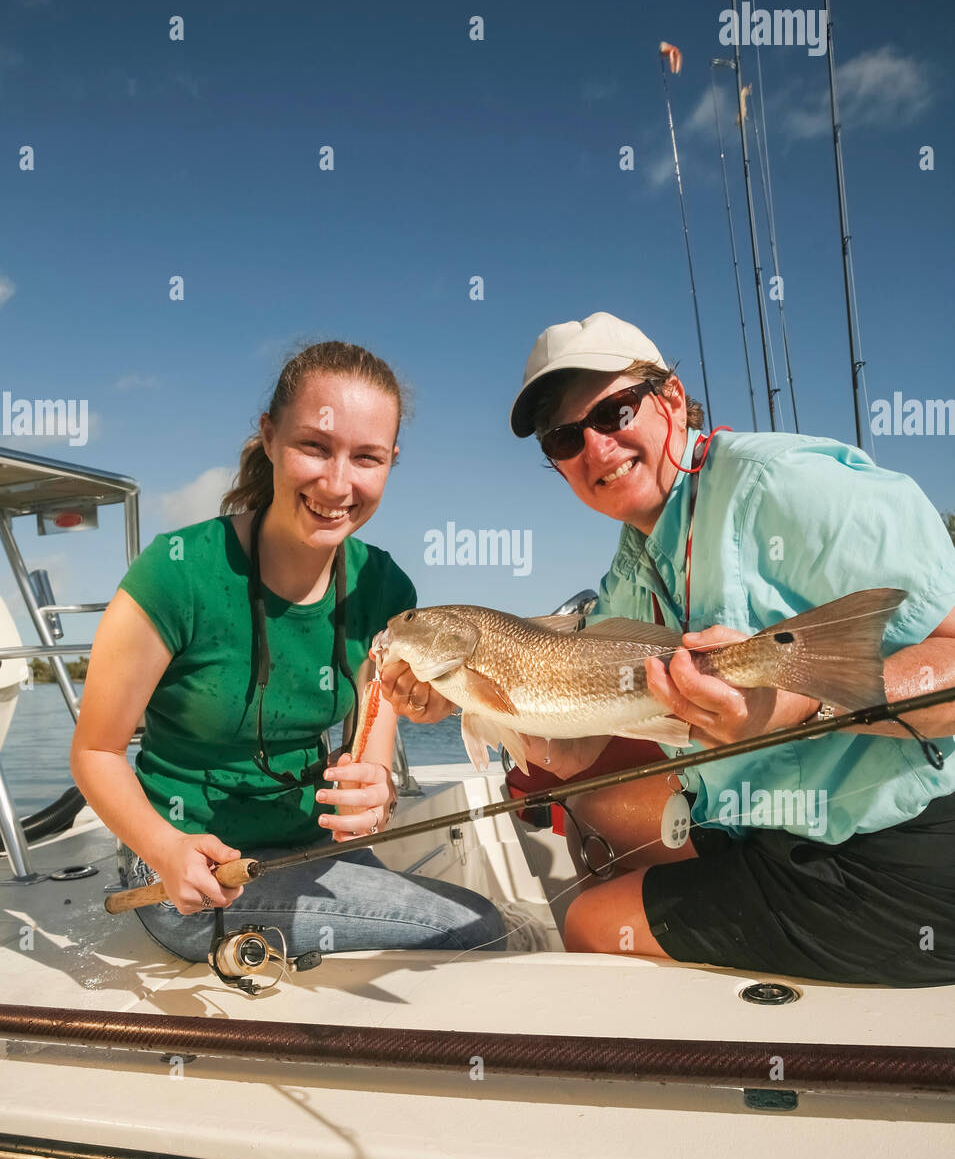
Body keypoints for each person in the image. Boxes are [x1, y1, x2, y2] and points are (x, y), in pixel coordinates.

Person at [385, 311, 955, 986]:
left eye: (614, 412)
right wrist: (463, 703)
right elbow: (572, 752)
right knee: (596, 808)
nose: (595, 450)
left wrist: (796, 704)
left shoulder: (789, 482)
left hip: (902, 845)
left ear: (672, 399)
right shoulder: (629, 569)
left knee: (589, 924)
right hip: (765, 834)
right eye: (564, 438)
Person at [71, 341, 505, 963]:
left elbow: (370, 753)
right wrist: (165, 850)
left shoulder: (387, 590)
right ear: (269, 438)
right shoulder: (176, 572)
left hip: (312, 849)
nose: (337, 482)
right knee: (480, 927)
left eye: (366, 457)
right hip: (185, 874)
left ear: (390, 463)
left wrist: (374, 794)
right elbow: (95, 750)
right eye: (314, 447)